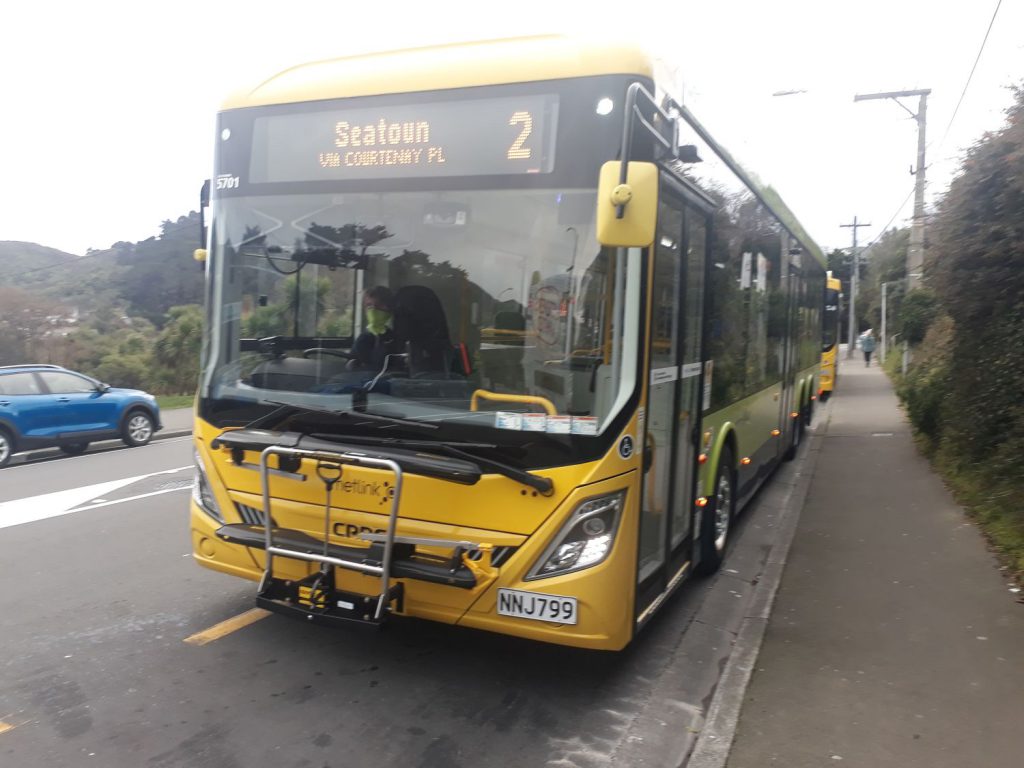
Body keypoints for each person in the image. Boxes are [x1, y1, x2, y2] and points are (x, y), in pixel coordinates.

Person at [349, 285, 397, 371]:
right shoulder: (363, 339)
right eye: (369, 306)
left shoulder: (395, 338)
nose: (374, 309)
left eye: (379, 305)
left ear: (390, 309)